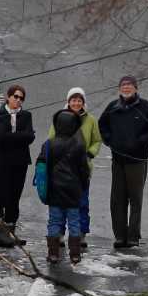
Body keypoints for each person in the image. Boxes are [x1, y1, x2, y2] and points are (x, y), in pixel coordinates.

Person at [98, 75, 148, 250]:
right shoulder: (113, 107)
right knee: (117, 200)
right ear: (119, 88)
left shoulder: (145, 107)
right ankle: (119, 236)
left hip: (137, 160)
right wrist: (109, 140)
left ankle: (133, 237)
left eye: (129, 85)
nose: (126, 88)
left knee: (136, 199)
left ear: (136, 88)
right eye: (123, 85)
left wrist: (140, 142)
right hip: (118, 160)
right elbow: (102, 126)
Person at [46, 86, 101, 247]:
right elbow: (50, 140)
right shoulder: (59, 118)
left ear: (83, 102)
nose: (76, 103)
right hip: (61, 169)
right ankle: (60, 234)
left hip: (82, 168)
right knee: (60, 204)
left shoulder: (90, 120)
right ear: (68, 102)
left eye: (79, 100)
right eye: (73, 100)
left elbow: (97, 140)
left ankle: (81, 234)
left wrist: (90, 153)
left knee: (82, 202)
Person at [44, 108, 92, 265]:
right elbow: (84, 170)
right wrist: (83, 185)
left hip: (54, 190)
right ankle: (75, 255)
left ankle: (53, 254)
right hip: (73, 191)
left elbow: (42, 166)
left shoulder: (49, 144)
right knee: (74, 222)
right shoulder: (79, 146)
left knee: (54, 221)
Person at [0, 83, 35, 247]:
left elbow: (30, 137)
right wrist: (19, 136)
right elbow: (1, 136)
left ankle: (10, 230)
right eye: (15, 96)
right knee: (1, 193)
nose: (18, 100)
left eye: (21, 98)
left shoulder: (26, 115)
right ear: (8, 97)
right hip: (3, 161)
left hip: (20, 161)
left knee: (15, 195)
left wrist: (14, 136)